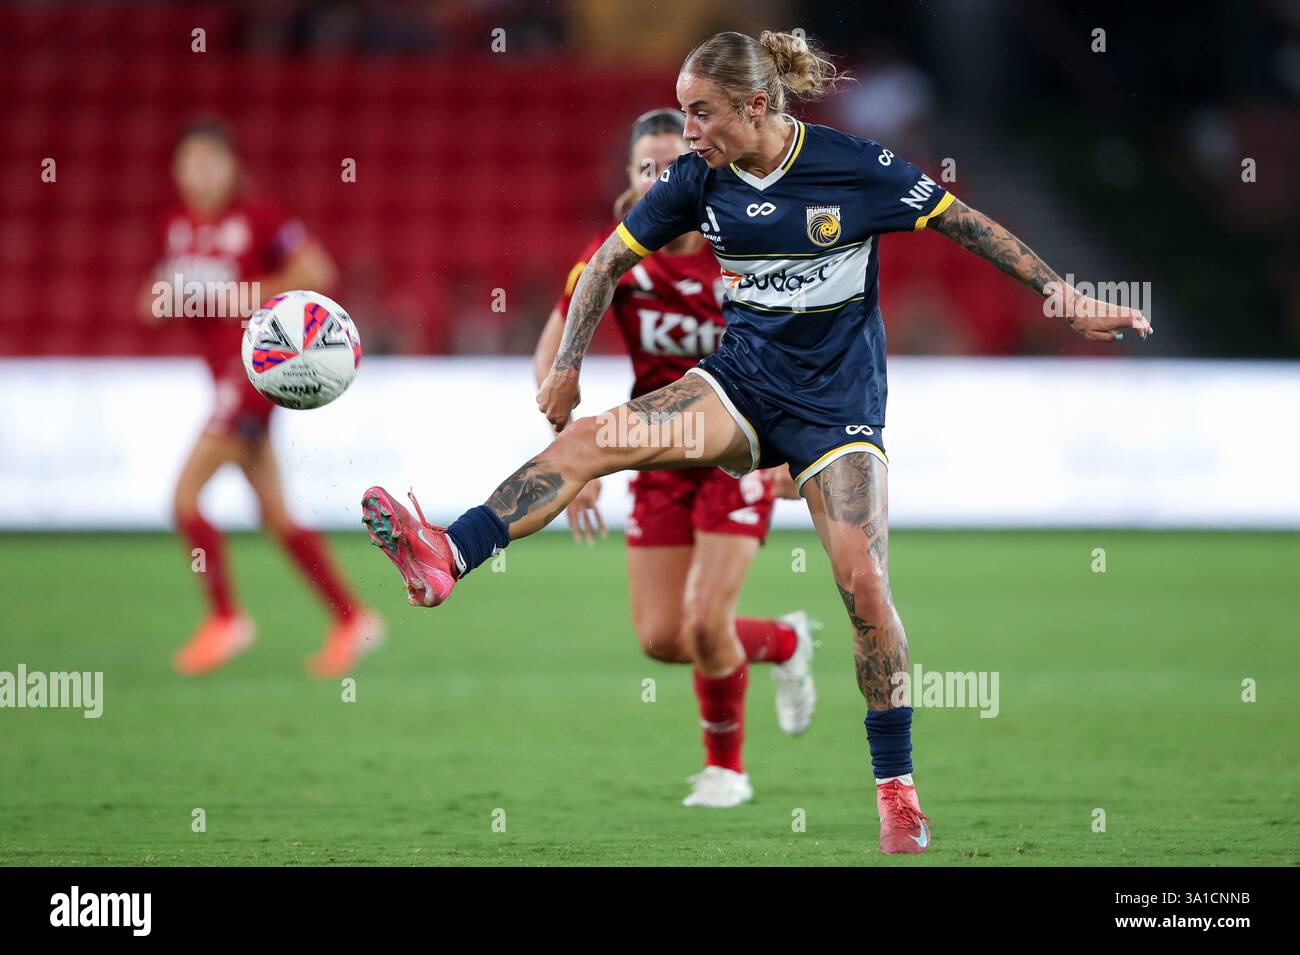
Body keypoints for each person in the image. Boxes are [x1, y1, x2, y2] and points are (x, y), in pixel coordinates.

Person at [361, 31, 1149, 853]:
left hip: (837, 413)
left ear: (757, 106)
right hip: (738, 388)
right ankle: (449, 555)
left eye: (702, 113)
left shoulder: (855, 168)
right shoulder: (697, 180)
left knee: (863, 585)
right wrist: (564, 370)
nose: (690, 130)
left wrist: (1067, 297)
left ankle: (897, 791)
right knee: (596, 439)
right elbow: (601, 266)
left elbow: (969, 227)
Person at [534, 108, 817, 808]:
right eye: (646, 168)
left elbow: (802, 347)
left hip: (739, 452)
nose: (662, 177)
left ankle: (727, 770)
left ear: (702, 166)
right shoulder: (619, 254)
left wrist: (794, 450)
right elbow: (554, 351)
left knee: (703, 621)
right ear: (631, 180)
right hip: (657, 456)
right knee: (662, 639)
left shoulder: (743, 245)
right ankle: (783, 642)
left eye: (673, 163)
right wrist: (573, 461)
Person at [143, 118, 383, 679]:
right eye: (189, 164)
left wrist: (238, 294)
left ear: (231, 166)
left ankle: (226, 618)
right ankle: (353, 619)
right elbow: (153, 302)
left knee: (184, 498)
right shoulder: (175, 228)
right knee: (275, 514)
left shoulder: (261, 219)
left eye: (210, 162)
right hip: (221, 377)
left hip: (254, 372)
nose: (199, 175)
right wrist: (163, 302)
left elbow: (318, 272)